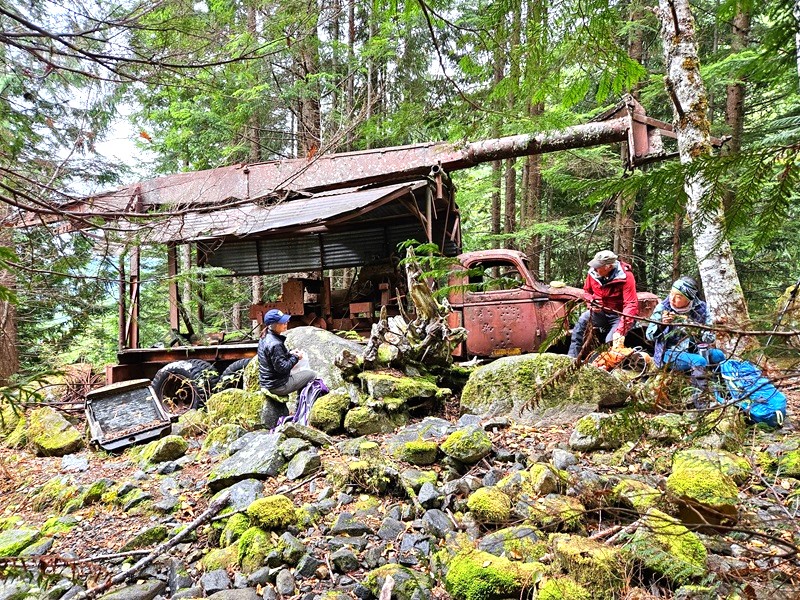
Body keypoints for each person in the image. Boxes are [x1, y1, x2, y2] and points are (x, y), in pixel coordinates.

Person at [645, 276, 725, 408]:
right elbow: (649, 335)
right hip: (669, 353)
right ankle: (701, 403)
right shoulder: (664, 307)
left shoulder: (701, 308)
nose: (672, 298)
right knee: (699, 361)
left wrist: (698, 330)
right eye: (671, 293)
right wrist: (662, 325)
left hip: (693, 350)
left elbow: (710, 338)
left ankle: (721, 393)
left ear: (689, 299)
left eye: (678, 296)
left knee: (718, 355)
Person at [568, 250, 639, 358]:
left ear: (608, 267)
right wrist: (591, 302)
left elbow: (631, 304)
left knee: (609, 341)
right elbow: (586, 291)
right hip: (601, 312)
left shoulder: (626, 277)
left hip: (618, 316)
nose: (594, 269)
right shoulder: (592, 273)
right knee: (582, 321)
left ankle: (604, 368)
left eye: (598, 266)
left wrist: (620, 330)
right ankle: (571, 358)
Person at [258, 309, 317, 396]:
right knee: (312, 374)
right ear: (273, 325)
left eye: (285, 320)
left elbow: (274, 358)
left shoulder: (265, 336)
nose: (287, 322)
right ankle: (300, 406)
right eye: (282, 322)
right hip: (278, 386)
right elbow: (283, 368)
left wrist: (290, 353)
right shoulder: (275, 344)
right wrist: (296, 357)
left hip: (269, 382)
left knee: (303, 371)